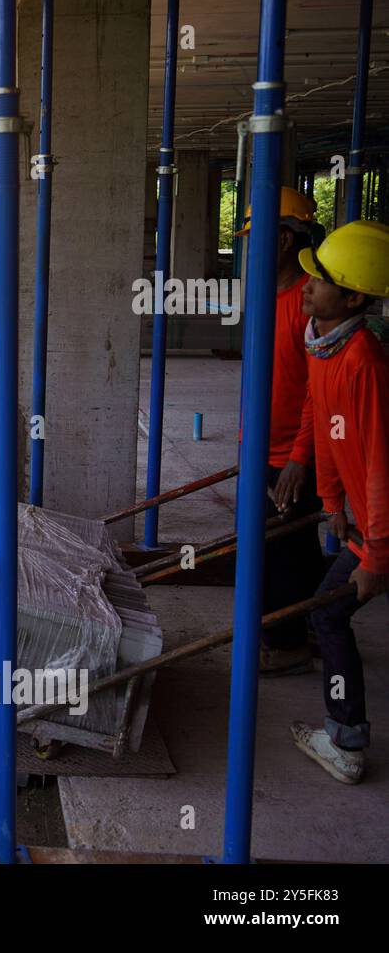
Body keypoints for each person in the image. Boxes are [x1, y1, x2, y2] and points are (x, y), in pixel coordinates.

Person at [288, 219, 389, 785]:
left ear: (352, 297)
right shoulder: (325, 346)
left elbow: (379, 463)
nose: (305, 286)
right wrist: (330, 499)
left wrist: (375, 553)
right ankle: (345, 732)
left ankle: (346, 740)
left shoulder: (363, 363)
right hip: (365, 520)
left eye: (319, 280)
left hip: (383, 526)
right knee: (329, 614)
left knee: (328, 613)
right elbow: (325, 427)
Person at [236, 187, 329, 676]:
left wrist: (299, 457)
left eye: (259, 237)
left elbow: (319, 391)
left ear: (286, 239)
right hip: (258, 447)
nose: (251, 248)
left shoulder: (308, 302)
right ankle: (308, 623)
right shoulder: (266, 296)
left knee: (279, 556)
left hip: (288, 456)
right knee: (286, 548)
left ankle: (288, 643)